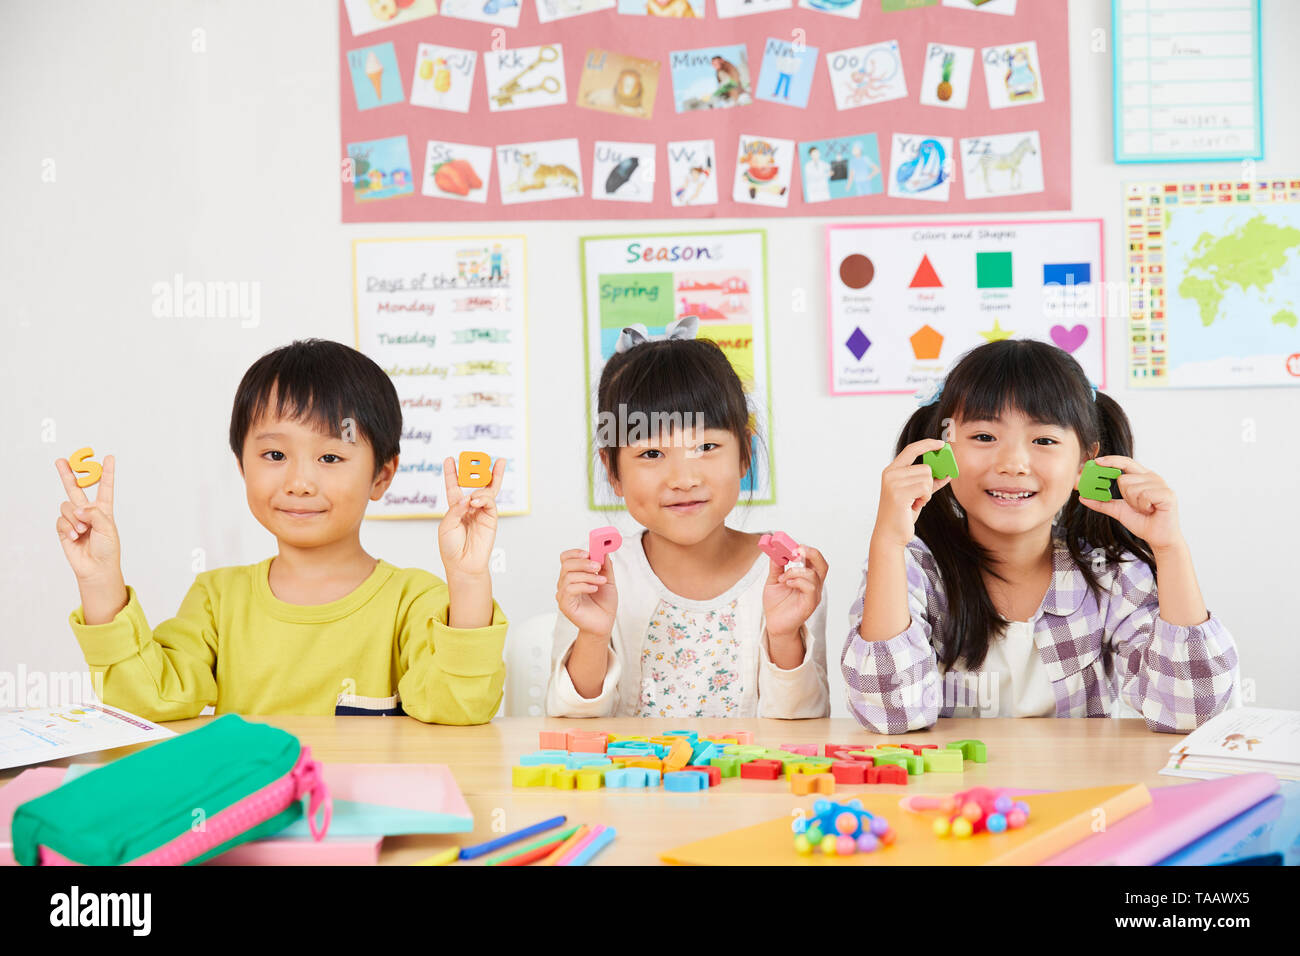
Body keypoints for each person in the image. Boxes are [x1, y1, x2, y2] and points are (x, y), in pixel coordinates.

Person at [55, 338, 509, 723]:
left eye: (331, 457)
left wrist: (468, 580)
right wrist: (99, 580)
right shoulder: (217, 599)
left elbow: (460, 707)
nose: (299, 482)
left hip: (362, 817)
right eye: (274, 456)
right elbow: (146, 700)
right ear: (241, 466)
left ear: (381, 476)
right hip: (252, 819)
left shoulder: (415, 601)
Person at [843, 339, 1238, 733]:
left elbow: (1191, 710)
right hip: (952, 795)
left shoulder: (1111, 574)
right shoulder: (912, 567)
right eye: (983, 437)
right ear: (943, 451)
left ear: (1085, 461)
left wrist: (1170, 549)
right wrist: (887, 542)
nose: (1013, 463)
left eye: (1044, 440)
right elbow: (889, 715)